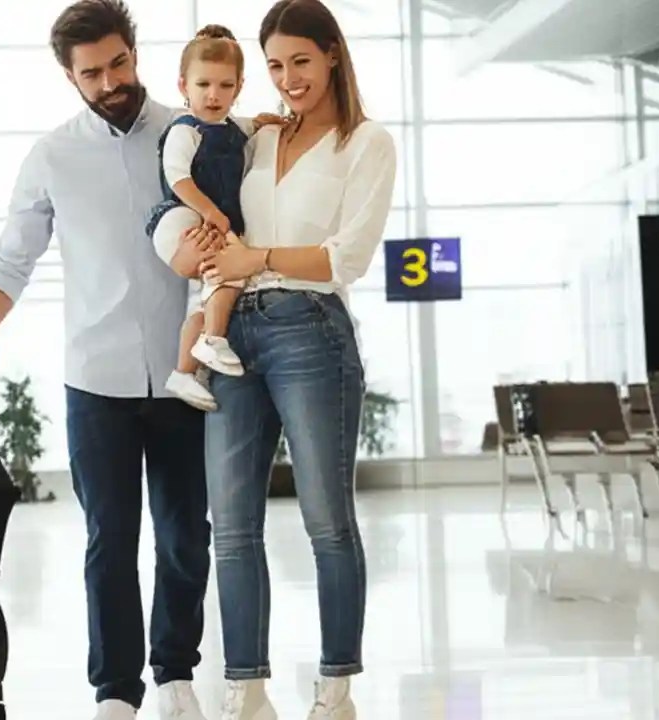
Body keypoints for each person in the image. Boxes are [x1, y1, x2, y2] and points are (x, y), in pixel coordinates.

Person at [0, 2, 214, 719]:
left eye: (119, 63)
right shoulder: (52, 157)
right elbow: (9, 265)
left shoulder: (192, 135)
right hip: (95, 383)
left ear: (136, 52)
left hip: (184, 377)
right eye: (93, 73)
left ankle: (176, 672)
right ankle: (114, 692)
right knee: (109, 542)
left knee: (186, 534)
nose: (111, 82)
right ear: (71, 78)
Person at [195, 1, 398, 719]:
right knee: (233, 523)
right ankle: (246, 688)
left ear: (333, 55)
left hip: (311, 330)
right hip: (235, 332)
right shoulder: (257, 140)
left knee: (326, 519)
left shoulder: (366, 143)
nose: (287, 79)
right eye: (275, 66)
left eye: (300, 62)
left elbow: (350, 255)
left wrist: (262, 258)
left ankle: (336, 687)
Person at [147, 24, 254, 412]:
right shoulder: (185, 130)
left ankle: (184, 371)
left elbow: (252, 125)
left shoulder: (232, 129)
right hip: (180, 215)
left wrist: (269, 122)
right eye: (204, 84)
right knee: (230, 269)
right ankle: (212, 340)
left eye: (226, 86)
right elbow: (177, 177)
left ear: (239, 87)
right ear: (183, 86)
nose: (214, 95)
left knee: (205, 298)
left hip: (203, 219)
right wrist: (212, 213)